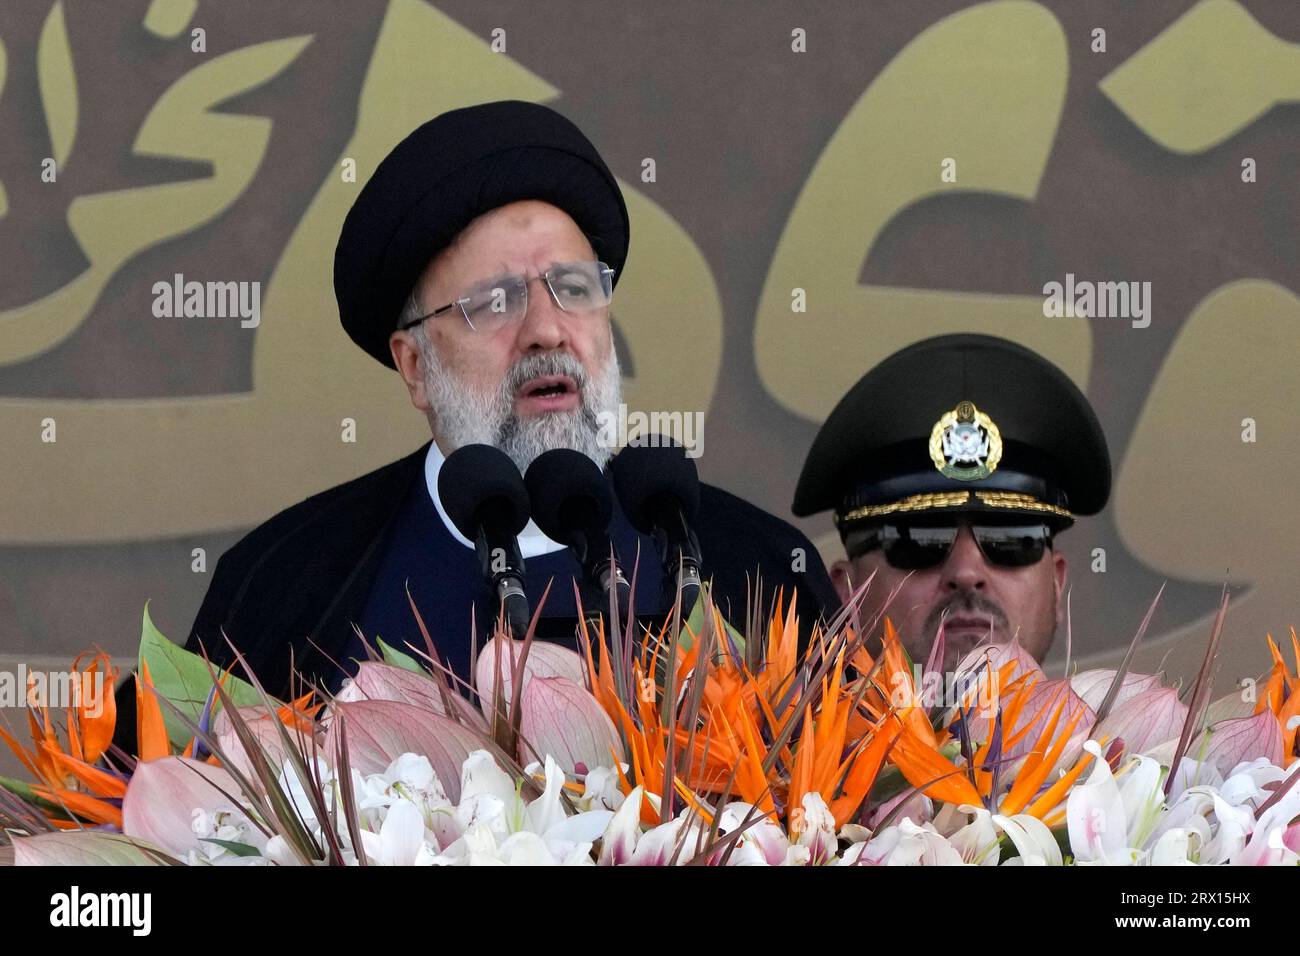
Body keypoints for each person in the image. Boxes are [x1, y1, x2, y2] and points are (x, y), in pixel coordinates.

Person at [112, 100, 835, 751]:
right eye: (494, 302)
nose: (548, 330)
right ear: (415, 366)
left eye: (576, 289)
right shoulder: (288, 582)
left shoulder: (755, 568)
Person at [792, 333, 1111, 673]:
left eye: (1012, 540)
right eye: (917, 541)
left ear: (1057, 585)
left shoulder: (1132, 730)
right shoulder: (747, 730)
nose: (966, 572)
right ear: (847, 593)